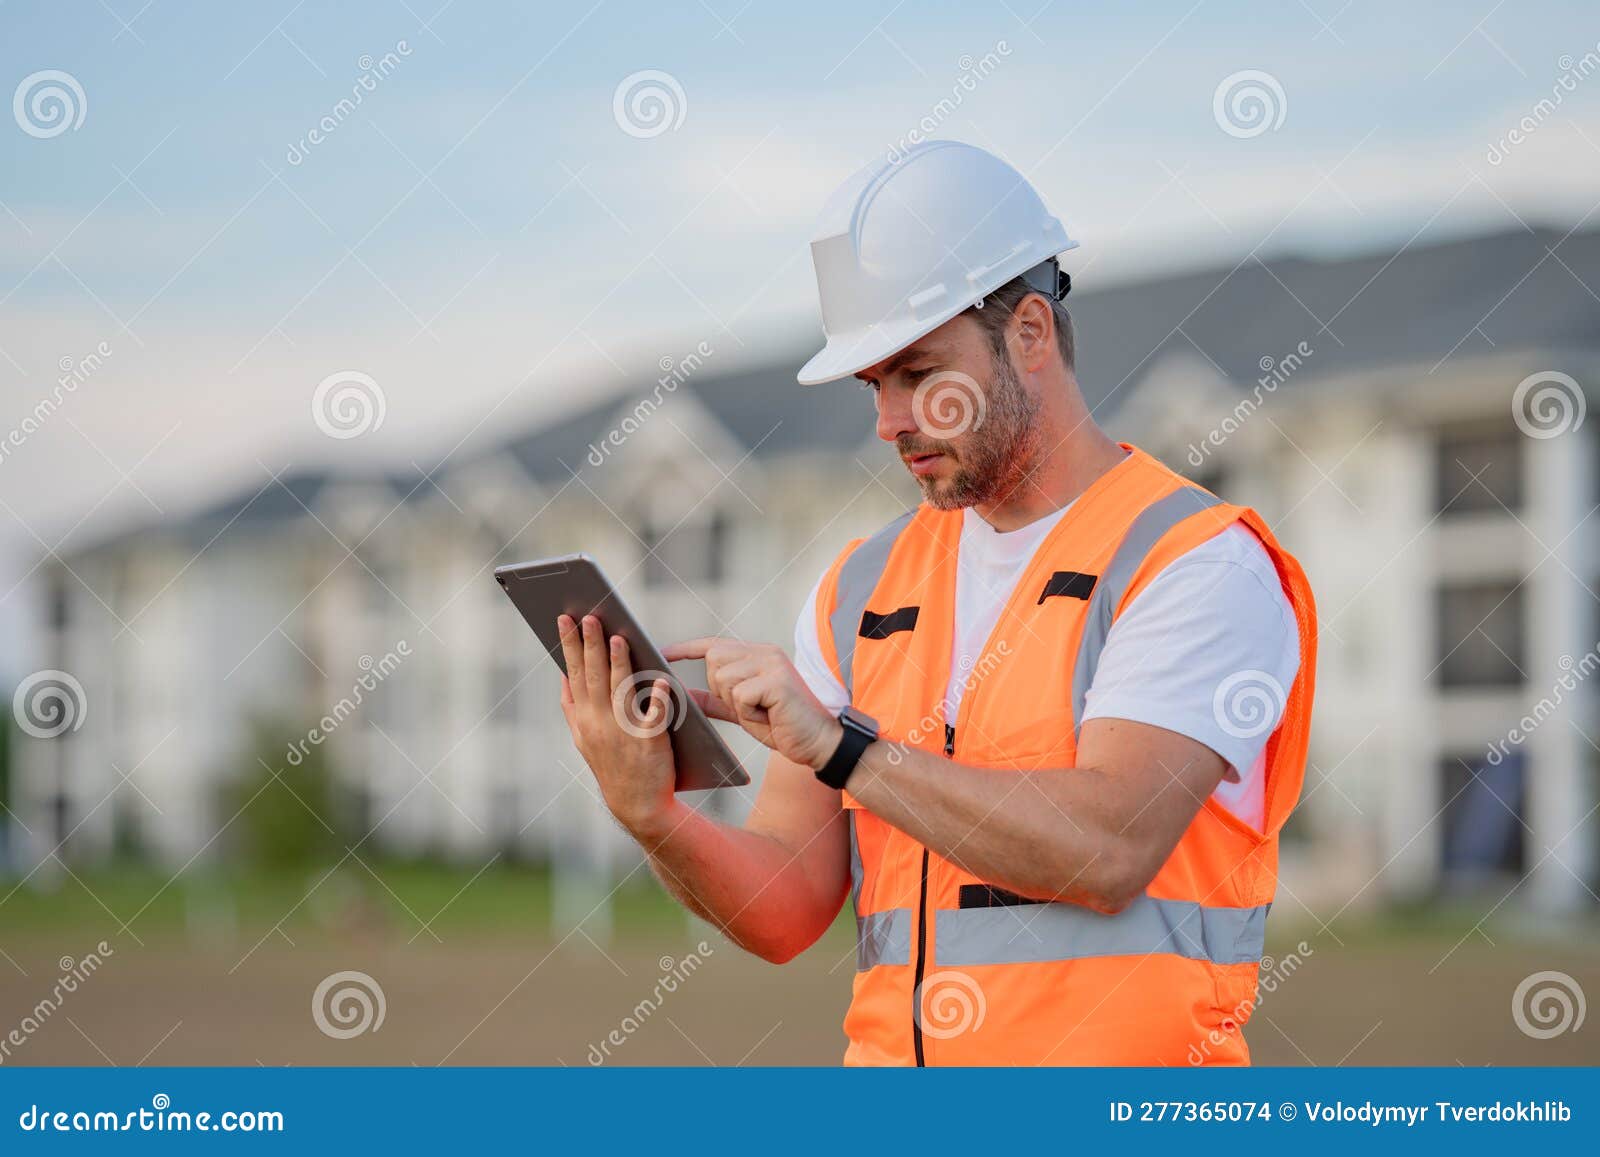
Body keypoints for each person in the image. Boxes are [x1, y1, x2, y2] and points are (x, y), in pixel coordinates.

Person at [556, 140, 1317, 1066]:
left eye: (919, 373)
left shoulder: (1195, 563)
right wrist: (655, 817)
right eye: (876, 383)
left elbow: (1108, 848)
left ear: (1031, 333)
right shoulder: (858, 588)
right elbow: (789, 908)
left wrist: (840, 747)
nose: (888, 421)